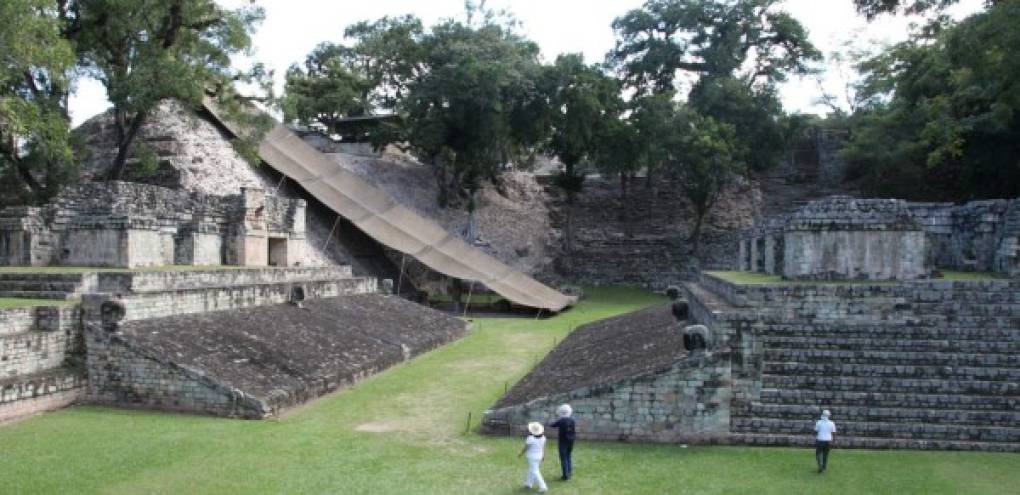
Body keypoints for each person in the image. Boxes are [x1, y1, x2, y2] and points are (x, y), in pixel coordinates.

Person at [547, 404, 576, 481]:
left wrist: (551, 420)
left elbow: (552, 425)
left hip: (563, 442)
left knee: (563, 458)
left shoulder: (561, 421)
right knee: (568, 456)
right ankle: (569, 472)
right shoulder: (572, 420)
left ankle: (565, 476)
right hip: (571, 441)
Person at [518, 422, 548, 492]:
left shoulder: (530, 438)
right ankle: (528, 484)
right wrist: (543, 455)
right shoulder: (543, 438)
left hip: (532, 457)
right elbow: (542, 448)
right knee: (532, 469)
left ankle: (543, 486)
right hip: (539, 456)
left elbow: (526, 448)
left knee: (535, 471)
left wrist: (521, 453)